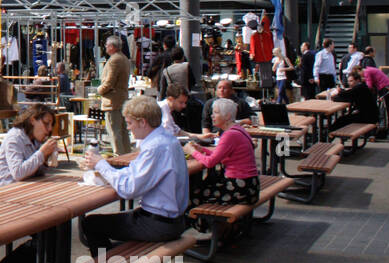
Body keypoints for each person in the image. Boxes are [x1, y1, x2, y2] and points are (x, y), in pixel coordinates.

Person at [81, 96, 193, 249]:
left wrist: (101, 165)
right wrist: (109, 172)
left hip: (160, 224)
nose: (128, 128)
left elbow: (128, 189)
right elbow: (135, 172)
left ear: (142, 122)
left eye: (130, 123)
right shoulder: (167, 139)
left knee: (91, 224)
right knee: (106, 224)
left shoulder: (155, 147)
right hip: (175, 220)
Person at [0, 104, 60, 263]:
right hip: (3, 201)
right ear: (32, 120)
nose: (49, 130)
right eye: (46, 124)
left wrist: (48, 158)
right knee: (48, 229)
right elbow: (19, 172)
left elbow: (35, 171)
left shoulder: (34, 139)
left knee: (57, 225)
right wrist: (41, 153)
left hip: (23, 198)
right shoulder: (15, 138)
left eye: (51, 125)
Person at [185, 98, 260, 208]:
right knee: (202, 188)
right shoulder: (238, 130)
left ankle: (201, 224)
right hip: (249, 185)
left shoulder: (230, 135)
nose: (212, 116)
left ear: (228, 116)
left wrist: (191, 151)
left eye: (216, 112)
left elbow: (210, 163)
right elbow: (220, 155)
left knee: (194, 196)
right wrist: (202, 149)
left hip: (240, 187)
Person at [98, 35, 133, 156]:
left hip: (113, 101)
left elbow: (109, 81)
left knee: (114, 132)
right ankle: (127, 156)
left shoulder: (114, 60)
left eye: (107, 45)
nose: (105, 47)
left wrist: (100, 90)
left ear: (112, 47)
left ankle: (119, 157)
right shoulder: (124, 58)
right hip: (122, 99)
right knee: (123, 132)